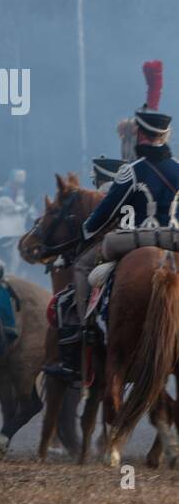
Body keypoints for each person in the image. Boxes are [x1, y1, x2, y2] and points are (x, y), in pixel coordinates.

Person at [49, 108, 179, 380]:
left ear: (140, 135)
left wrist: (87, 230)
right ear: (165, 135)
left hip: (139, 237)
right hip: (176, 240)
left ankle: (84, 331)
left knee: (84, 264)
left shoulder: (131, 172)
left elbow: (103, 214)